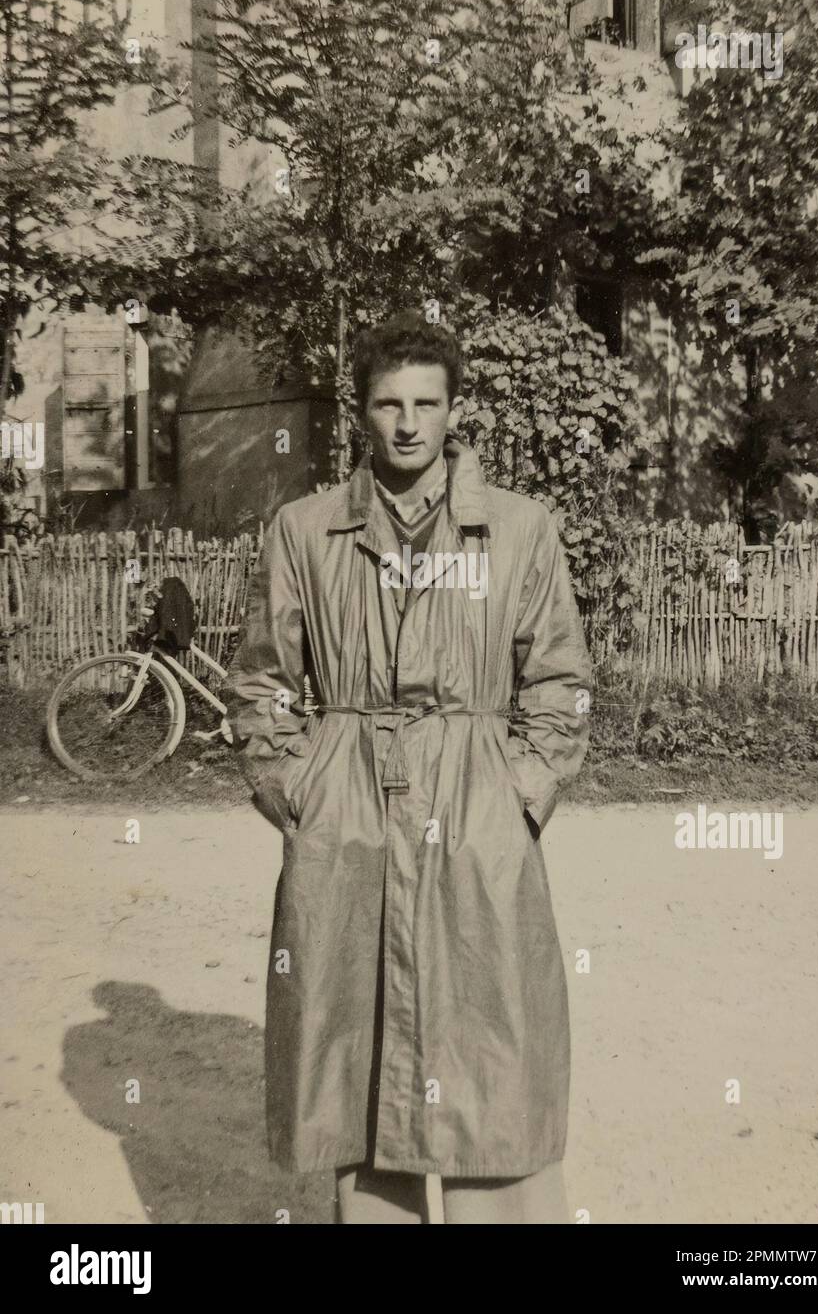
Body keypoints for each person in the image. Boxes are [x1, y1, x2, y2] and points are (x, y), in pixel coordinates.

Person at [225, 310, 592, 1224]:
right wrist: (298, 791)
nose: (407, 423)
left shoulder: (517, 529)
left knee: (489, 1053)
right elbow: (263, 681)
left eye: (426, 402)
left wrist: (519, 796)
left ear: (454, 409)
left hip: (477, 815)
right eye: (387, 403)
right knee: (358, 1064)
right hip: (345, 811)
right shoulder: (306, 530)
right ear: (360, 412)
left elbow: (560, 680)